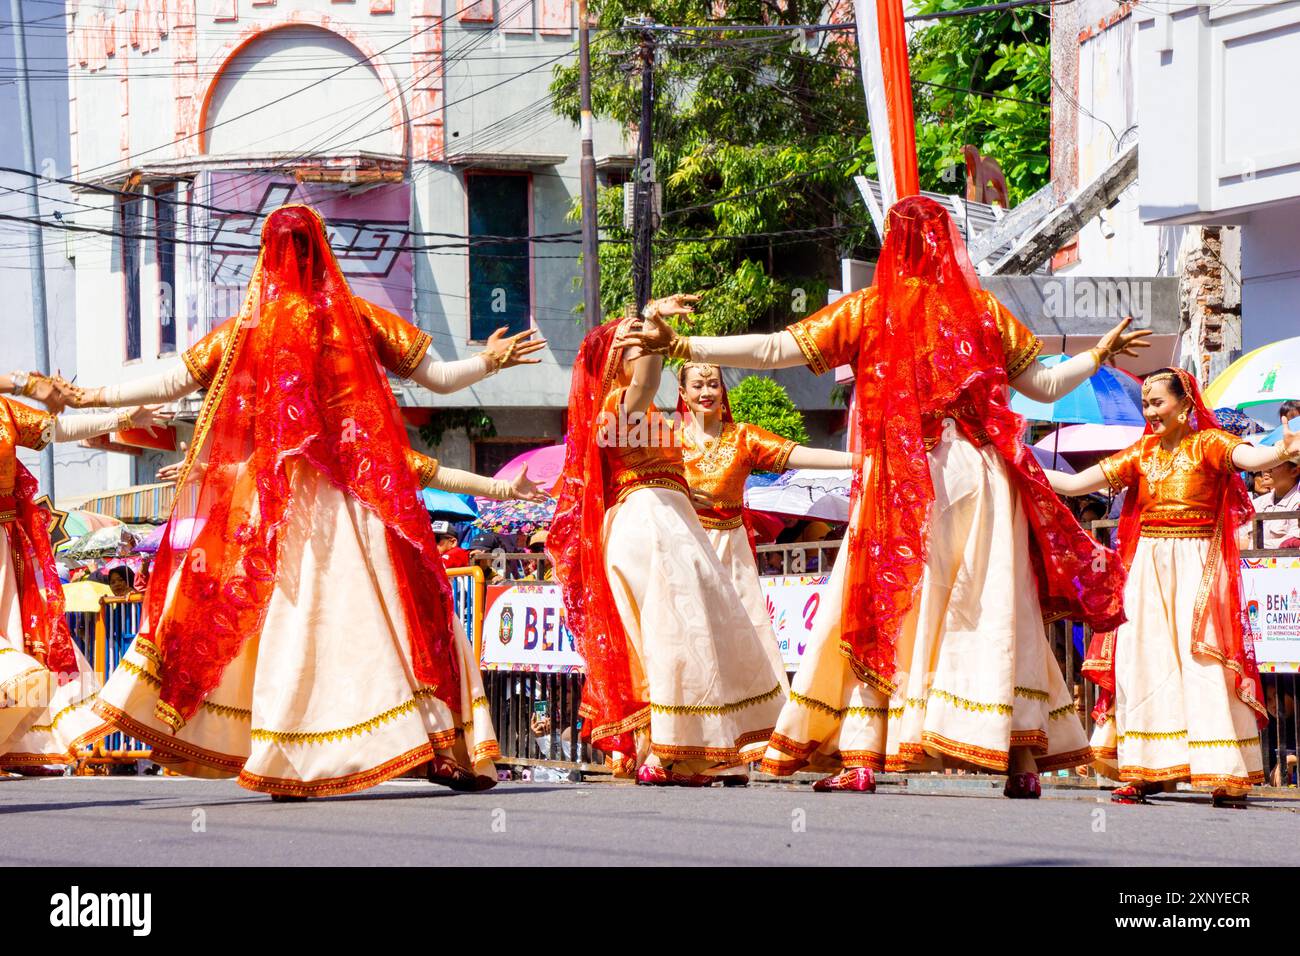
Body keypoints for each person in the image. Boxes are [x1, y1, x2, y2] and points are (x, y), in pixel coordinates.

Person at [621, 195, 1147, 796]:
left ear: (891, 246)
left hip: (902, 471)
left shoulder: (871, 309)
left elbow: (775, 350)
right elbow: (1047, 385)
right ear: (951, 242)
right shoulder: (982, 311)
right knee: (995, 605)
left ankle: (864, 755)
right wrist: (1097, 355)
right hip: (979, 476)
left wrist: (686, 345)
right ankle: (1020, 762)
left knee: (879, 601)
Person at [57, 204, 546, 798]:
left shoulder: (249, 327)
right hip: (359, 496)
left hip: (278, 501)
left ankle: (288, 750)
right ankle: (414, 741)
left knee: (276, 614)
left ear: (266, 254)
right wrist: (489, 362)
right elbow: (439, 379)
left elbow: (170, 380)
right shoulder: (357, 317)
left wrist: (89, 396)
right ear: (324, 251)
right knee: (383, 614)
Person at [548, 297, 789, 787]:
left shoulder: (656, 416)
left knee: (692, 632)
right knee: (665, 634)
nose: (644, 354)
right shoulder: (616, 409)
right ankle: (664, 746)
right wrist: (654, 324)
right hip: (645, 527)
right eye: (634, 348)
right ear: (615, 361)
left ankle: (692, 748)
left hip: (675, 525)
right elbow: (645, 382)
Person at [1046, 367, 1293, 806]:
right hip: (1147, 566)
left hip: (1197, 563)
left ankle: (1223, 772)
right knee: (1145, 658)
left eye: (1158, 402)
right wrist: (1016, 460)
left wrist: (1279, 450)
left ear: (1185, 403)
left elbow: (1252, 460)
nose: (1150, 412)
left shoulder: (1209, 444)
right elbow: (1071, 483)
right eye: (1145, 405)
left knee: (1203, 659)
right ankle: (1145, 769)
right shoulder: (1140, 454)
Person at [1, 380, 163, 768]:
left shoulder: (4, 412)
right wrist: (26, 380)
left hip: (4, 545)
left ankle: (12, 745)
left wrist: (125, 416)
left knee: (14, 637)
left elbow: (57, 430)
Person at [676, 362, 851, 664]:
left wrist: (858, 459)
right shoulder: (667, 441)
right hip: (686, 547)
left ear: (723, 389)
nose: (707, 392)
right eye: (698, 385)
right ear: (682, 393)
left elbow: (798, 454)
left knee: (742, 636)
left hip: (733, 550)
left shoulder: (743, 437)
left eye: (714, 384)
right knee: (692, 637)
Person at [1250, 459, 1300, 549]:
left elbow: (1293, 542)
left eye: (1276, 464)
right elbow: (1241, 535)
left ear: (1294, 471)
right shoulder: (1257, 503)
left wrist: (1250, 545)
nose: (1267, 470)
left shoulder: (1297, 503)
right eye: (1268, 463)